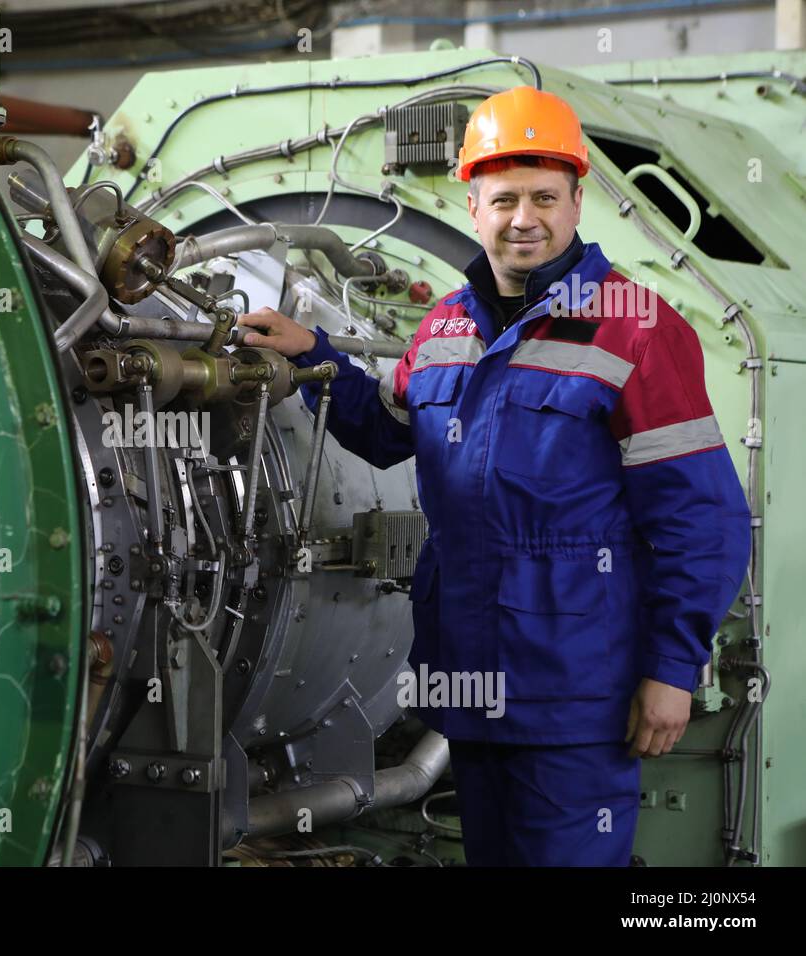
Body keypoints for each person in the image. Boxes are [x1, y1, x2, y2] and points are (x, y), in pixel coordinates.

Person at [237, 86, 751, 866]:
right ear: (473, 205)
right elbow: (385, 432)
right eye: (504, 198)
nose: (525, 218)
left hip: (578, 693)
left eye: (545, 197)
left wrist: (672, 668)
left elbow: (701, 518)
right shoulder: (445, 325)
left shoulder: (635, 329)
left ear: (578, 203)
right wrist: (314, 356)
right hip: (467, 690)